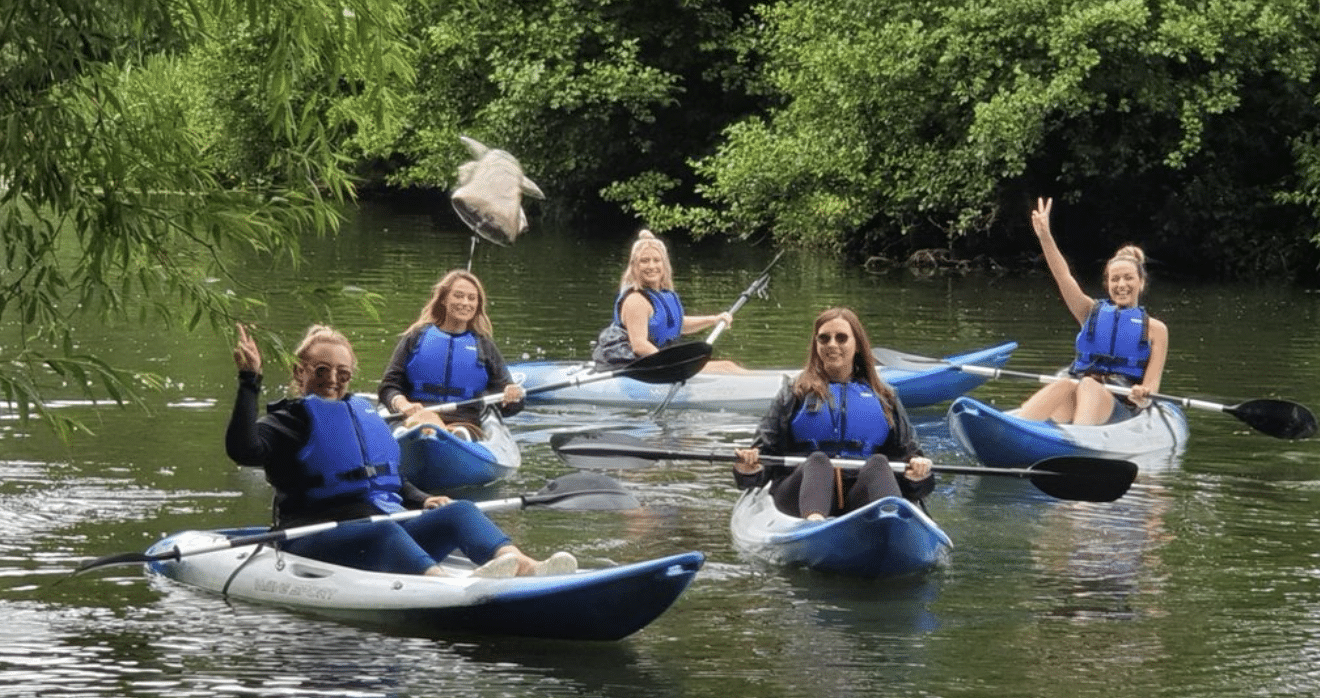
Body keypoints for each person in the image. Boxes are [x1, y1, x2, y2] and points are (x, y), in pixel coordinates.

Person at [225, 323, 574, 578]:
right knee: (382, 528)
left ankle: (527, 568)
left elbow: (388, 476)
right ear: (300, 372)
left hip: (381, 528)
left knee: (459, 510)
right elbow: (244, 450)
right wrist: (249, 382)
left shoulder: (362, 415)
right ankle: (442, 587)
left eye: (342, 372)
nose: (333, 378)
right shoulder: (289, 421)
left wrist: (423, 499)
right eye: (322, 370)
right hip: (316, 538)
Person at [732, 307, 934, 521]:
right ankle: (814, 524)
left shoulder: (885, 397)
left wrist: (917, 475)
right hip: (799, 495)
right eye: (824, 339)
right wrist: (748, 468)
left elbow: (911, 462)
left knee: (879, 464)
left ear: (857, 345)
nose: (832, 345)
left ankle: (890, 521)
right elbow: (762, 459)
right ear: (816, 345)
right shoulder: (794, 392)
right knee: (818, 460)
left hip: (861, 496)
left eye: (841, 338)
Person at [1017, 197, 1169, 425]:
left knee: (1088, 385)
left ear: (1141, 283)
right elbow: (1063, 276)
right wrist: (1045, 237)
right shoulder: (1089, 311)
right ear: (1107, 284)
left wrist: (1142, 395)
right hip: (1080, 394)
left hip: (1119, 406)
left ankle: (1079, 440)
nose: (1121, 285)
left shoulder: (1156, 330)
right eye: (1115, 279)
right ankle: (1017, 425)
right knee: (1064, 383)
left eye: (1128, 278)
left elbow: (1151, 387)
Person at [378, 269, 524, 439]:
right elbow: (388, 386)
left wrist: (513, 395)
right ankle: (433, 433)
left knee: (458, 433)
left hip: (465, 424)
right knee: (419, 424)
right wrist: (403, 405)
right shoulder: (416, 336)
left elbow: (510, 407)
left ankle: (448, 436)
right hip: (413, 418)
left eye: (471, 298)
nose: (465, 302)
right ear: (444, 299)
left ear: (478, 305)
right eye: (458, 295)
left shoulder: (484, 344)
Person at [591, 229, 747, 373]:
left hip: (657, 362)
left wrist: (713, 320)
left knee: (728, 366)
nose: (651, 266)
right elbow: (639, 345)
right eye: (644, 261)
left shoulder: (661, 294)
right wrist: (674, 363)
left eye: (656, 260)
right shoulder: (636, 301)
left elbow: (675, 324)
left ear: (664, 265)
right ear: (634, 266)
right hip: (636, 368)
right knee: (727, 367)